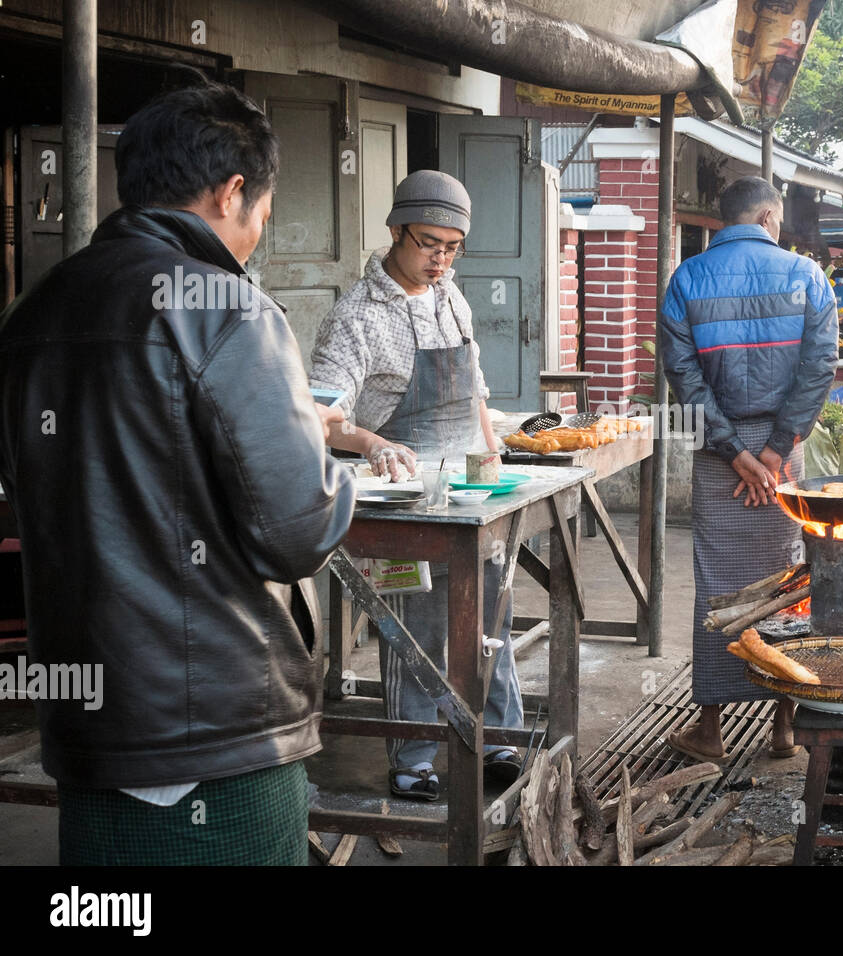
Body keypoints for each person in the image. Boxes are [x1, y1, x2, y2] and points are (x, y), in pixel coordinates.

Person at [0, 74, 356, 865]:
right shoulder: (228, 308)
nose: (257, 231)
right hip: (217, 736)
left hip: (88, 727)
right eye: (263, 211)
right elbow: (298, 530)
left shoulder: (33, 313)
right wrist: (317, 440)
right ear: (232, 192)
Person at [310, 170, 522, 800]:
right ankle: (414, 756)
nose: (440, 259)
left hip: (471, 487)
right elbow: (322, 414)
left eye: (453, 247)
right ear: (396, 230)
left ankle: (499, 738)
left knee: (491, 615)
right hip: (402, 495)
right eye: (429, 243)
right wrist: (372, 443)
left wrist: (493, 452)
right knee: (415, 625)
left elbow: (475, 388)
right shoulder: (355, 317)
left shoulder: (452, 297)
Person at [660, 176, 838, 761]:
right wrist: (774, 450)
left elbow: (684, 377)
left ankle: (711, 729)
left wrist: (734, 452)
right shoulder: (807, 275)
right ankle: (784, 726)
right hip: (781, 453)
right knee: (785, 579)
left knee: (718, 583)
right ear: (767, 218)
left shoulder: (686, 278)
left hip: (718, 454)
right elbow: (820, 367)